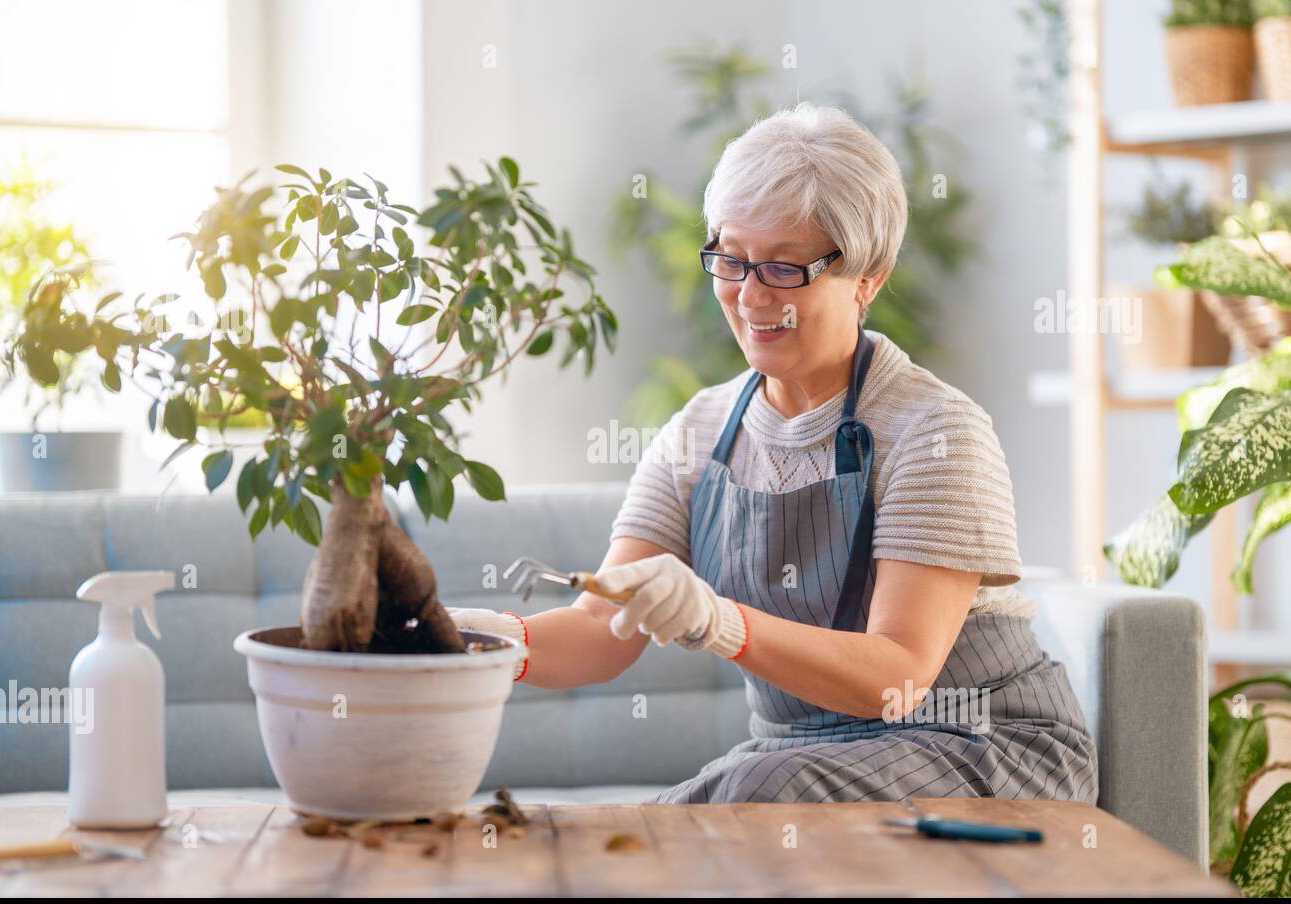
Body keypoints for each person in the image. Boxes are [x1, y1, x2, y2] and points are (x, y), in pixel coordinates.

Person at [449, 102, 1097, 805]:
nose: (750, 295)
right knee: (656, 825)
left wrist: (721, 622)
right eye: (731, 259)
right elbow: (601, 630)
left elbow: (898, 674)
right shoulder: (699, 432)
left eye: (785, 267)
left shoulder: (936, 432)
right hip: (804, 760)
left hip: (980, 744)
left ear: (867, 277)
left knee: (744, 796)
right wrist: (484, 640)